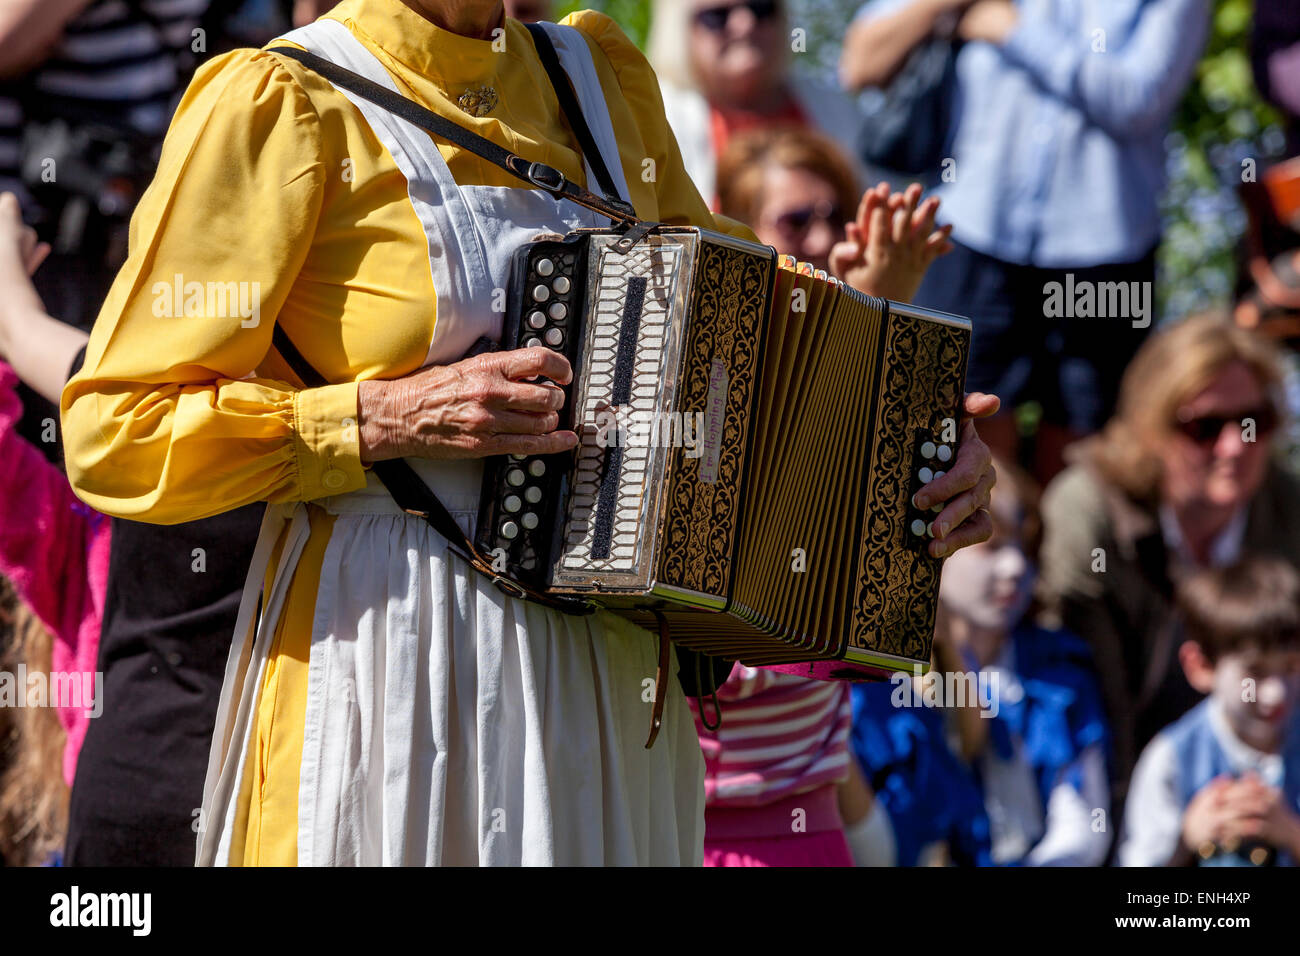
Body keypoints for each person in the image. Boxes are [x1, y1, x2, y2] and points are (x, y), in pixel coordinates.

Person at [61, 0, 998, 866]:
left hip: (613, 692)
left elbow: (741, 349)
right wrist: (381, 416)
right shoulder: (279, 99)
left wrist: (918, 448)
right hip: (396, 667)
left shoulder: (600, 79)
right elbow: (115, 427)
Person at [699, 128, 951, 867]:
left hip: (805, 822)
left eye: (836, 215)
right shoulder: (705, 382)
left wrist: (874, 329)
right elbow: (761, 633)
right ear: (736, 231)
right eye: (794, 221)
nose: (824, 238)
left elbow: (875, 612)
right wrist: (874, 315)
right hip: (682, 818)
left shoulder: (883, 380)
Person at [842, 0, 1209, 483]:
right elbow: (859, 62)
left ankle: (1064, 560)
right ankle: (980, 561)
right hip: (969, 236)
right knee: (950, 447)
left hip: (1106, 251)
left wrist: (1010, 30)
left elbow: (1138, 100)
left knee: (1089, 462)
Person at [1038, 313, 1300, 797]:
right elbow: (1086, 700)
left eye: (1252, 423)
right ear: (1150, 429)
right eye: (1204, 428)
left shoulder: (1289, 514)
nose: (1233, 447)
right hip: (1120, 785)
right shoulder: (1089, 514)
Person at [932, 457, 1110, 866]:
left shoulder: (1063, 670)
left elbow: (1083, 825)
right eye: (991, 546)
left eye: (1025, 549)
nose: (1015, 568)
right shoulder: (893, 679)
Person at [1118, 556, 1300, 867]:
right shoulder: (1172, 759)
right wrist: (1186, 840)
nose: (1275, 693)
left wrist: (1292, 834)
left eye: (1291, 666)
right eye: (1254, 672)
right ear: (1201, 666)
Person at [649, 0, 867, 209]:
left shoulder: (835, 106)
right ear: (679, 28)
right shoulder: (655, 118)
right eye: (718, 16)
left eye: (761, 7)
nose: (745, 24)